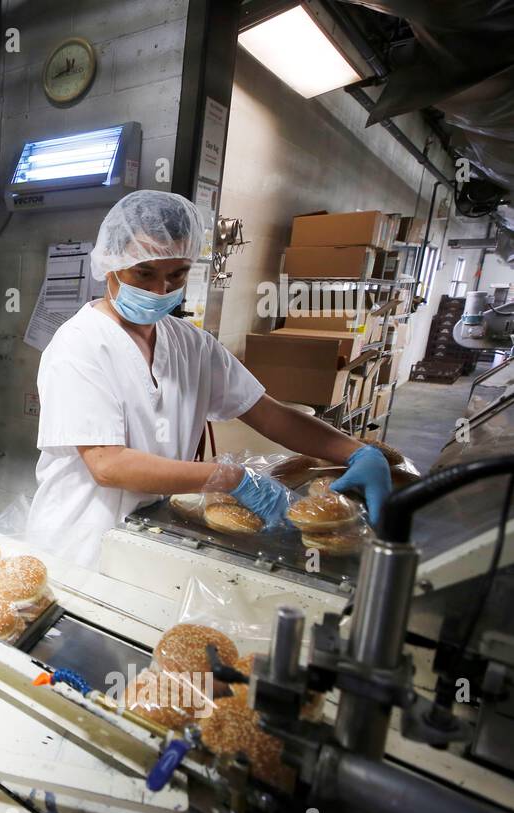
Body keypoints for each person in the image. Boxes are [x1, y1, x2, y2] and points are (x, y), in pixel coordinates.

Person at [26, 190, 392, 570]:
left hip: (150, 534)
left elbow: (269, 414)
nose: (160, 291)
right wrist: (232, 478)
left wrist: (357, 452)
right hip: (79, 545)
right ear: (112, 264)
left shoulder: (190, 343)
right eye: (145, 273)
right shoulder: (79, 345)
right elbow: (108, 464)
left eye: (177, 274)